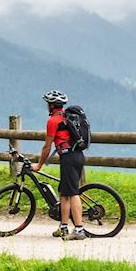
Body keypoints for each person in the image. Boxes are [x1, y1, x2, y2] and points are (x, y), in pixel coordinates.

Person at [43, 90, 91, 239]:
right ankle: (63, 227)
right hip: (76, 156)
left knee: (72, 193)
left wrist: (39, 164)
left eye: (47, 103)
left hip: (69, 158)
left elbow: (47, 146)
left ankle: (79, 230)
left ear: (51, 105)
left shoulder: (53, 121)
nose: (46, 106)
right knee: (64, 193)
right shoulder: (66, 117)